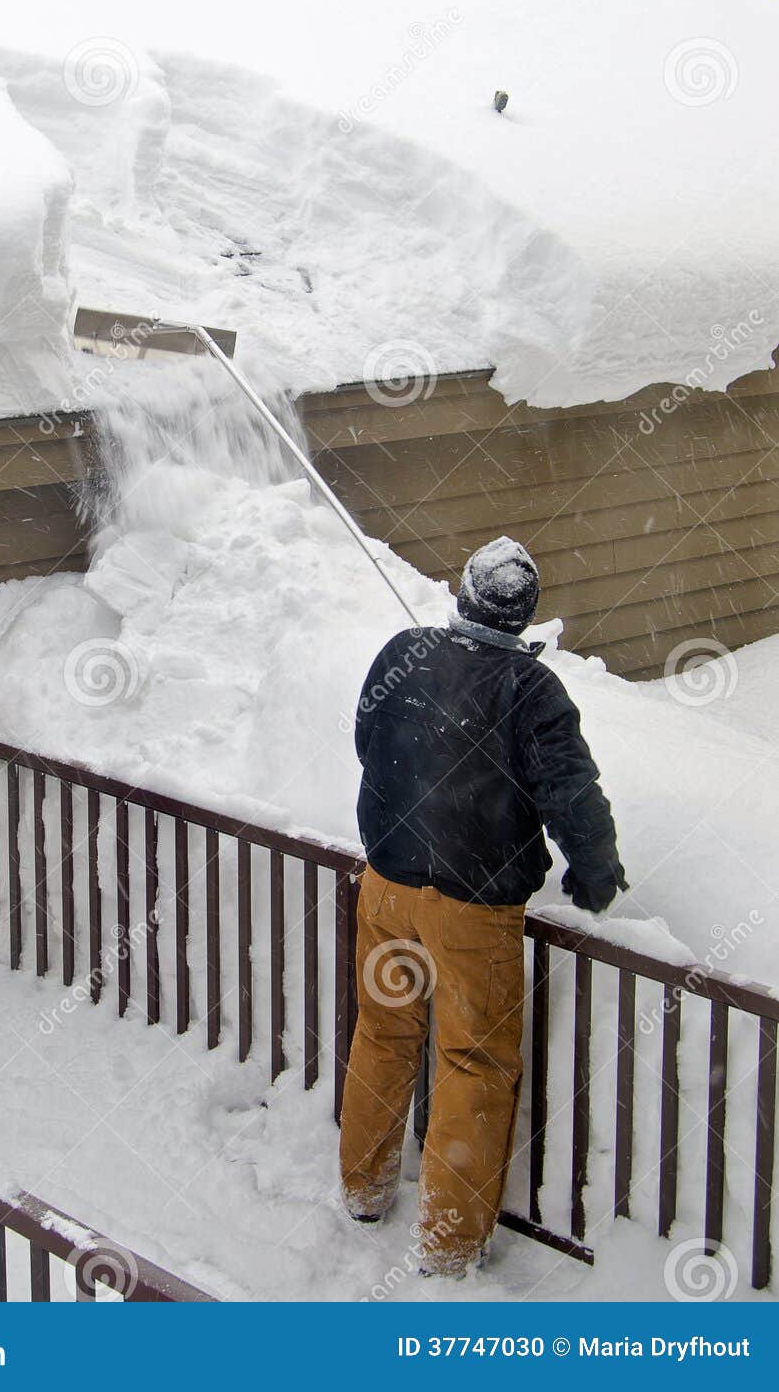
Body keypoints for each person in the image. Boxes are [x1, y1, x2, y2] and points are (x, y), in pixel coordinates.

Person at [339, 536, 627, 1276]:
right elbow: (571, 792)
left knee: (383, 1032)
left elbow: (367, 740)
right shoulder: (531, 692)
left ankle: (363, 1189)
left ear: (463, 595)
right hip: (471, 909)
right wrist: (594, 875)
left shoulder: (403, 651)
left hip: (387, 886)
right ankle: (447, 1244)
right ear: (523, 615)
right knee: (471, 1062)